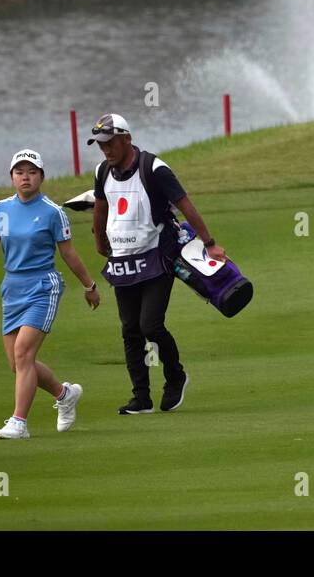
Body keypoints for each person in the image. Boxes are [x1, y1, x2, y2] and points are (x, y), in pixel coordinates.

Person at [87, 113, 227, 414]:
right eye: (101, 145)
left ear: (126, 139)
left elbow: (186, 206)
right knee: (129, 329)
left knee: (150, 324)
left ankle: (175, 376)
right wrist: (101, 243)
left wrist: (210, 243)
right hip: (123, 260)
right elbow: (100, 208)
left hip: (158, 256)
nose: (106, 150)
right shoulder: (102, 171)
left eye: (110, 143)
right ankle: (141, 398)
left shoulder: (154, 168)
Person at [0, 149, 101, 439]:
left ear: (41, 176)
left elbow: (68, 254)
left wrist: (89, 286)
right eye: (19, 172)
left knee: (23, 353)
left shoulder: (53, 212)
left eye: (31, 172)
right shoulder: (1, 209)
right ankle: (64, 394)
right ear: (12, 177)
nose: (25, 177)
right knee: (18, 364)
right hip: (12, 288)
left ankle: (19, 422)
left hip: (43, 287)